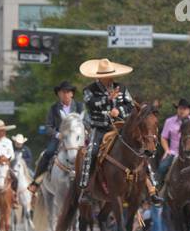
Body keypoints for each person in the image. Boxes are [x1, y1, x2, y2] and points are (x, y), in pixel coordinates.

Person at [77, 58, 140, 191]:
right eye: (106, 76)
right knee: (91, 152)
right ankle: (86, 187)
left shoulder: (121, 88)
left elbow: (131, 105)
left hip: (121, 128)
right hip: (100, 128)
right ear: (99, 77)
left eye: (110, 75)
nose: (109, 78)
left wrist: (119, 111)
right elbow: (91, 103)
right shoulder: (89, 90)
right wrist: (107, 100)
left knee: (141, 148)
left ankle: (151, 187)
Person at [28, 82, 84, 194]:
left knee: (92, 153)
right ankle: (36, 181)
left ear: (72, 94)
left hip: (77, 137)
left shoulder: (79, 106)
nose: (65, 94)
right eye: (62, 92)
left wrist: (83, 131)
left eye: (68, 92)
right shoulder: (53, 108)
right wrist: (58, 134)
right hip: (59, 137)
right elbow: (48, 126)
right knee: (48, 153)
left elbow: (86, 121)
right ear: (58, 94)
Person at [157, 99, 190, 186]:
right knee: (162, 167)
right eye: (180, 108)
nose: (182, 111)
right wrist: (167, 150)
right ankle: (157, 189)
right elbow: (163, 137)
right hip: (173, 153)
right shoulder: (169, 121)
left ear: (189, 110)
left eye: (184, 109)